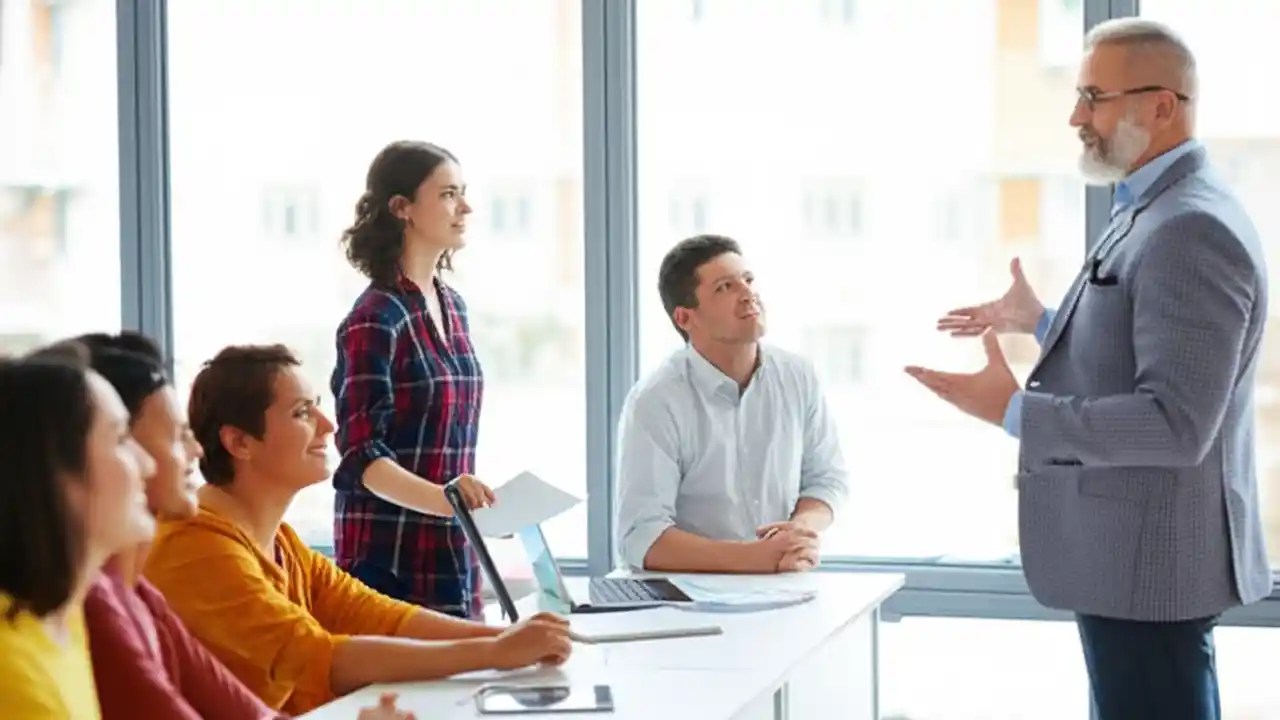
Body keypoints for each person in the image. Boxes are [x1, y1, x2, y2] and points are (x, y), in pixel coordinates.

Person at [906, 19, 1268, 720]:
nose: (1075, 116)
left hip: (1151, 573)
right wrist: (1040, 321)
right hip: (1133, 566)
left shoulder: (1190, 228)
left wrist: (1013, 412)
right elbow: (1140, 347)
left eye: (1094, 97)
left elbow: (1175, 425)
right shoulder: (1153, 205)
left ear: (1164, 106)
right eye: (1078, 95)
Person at [143, 344, 570, 715]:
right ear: (240, 443)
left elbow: (380, 617)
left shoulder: (281, 543)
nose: (328, 427)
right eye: (302, 412)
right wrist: (494, 652)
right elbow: (322, 658)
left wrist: (511, 638)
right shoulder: (197, 547)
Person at [72, 333, 414, 720]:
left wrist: (492, 647)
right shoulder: (175, 557)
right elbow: (316, 657)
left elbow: (249, 710)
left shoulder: (138, 595)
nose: (195, 450)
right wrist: (490, 651)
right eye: (119, 441)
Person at [614, 234, 849, 573]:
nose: (748, 294)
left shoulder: (798, 376)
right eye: (725, 288)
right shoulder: (656, 400)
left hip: (784, 582)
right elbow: (641, 537)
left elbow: (827, 479)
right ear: (684, 318)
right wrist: (755, 558)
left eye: (748, 280)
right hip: (686, 602)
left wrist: (799, 530)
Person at [332, 140, 495, 618]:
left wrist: (460, 506)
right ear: (402, 208)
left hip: (451, 549)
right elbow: (362, 457)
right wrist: (447, 501)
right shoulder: (374, 317)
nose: (464, 207)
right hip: (390, 559)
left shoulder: (453, 306)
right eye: (448, 194)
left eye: (463, 192)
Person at [0, 351, 157, 719]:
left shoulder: (61, 616)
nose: (147, 465)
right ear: (55, 474)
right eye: (120, 439)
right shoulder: (18, 683)